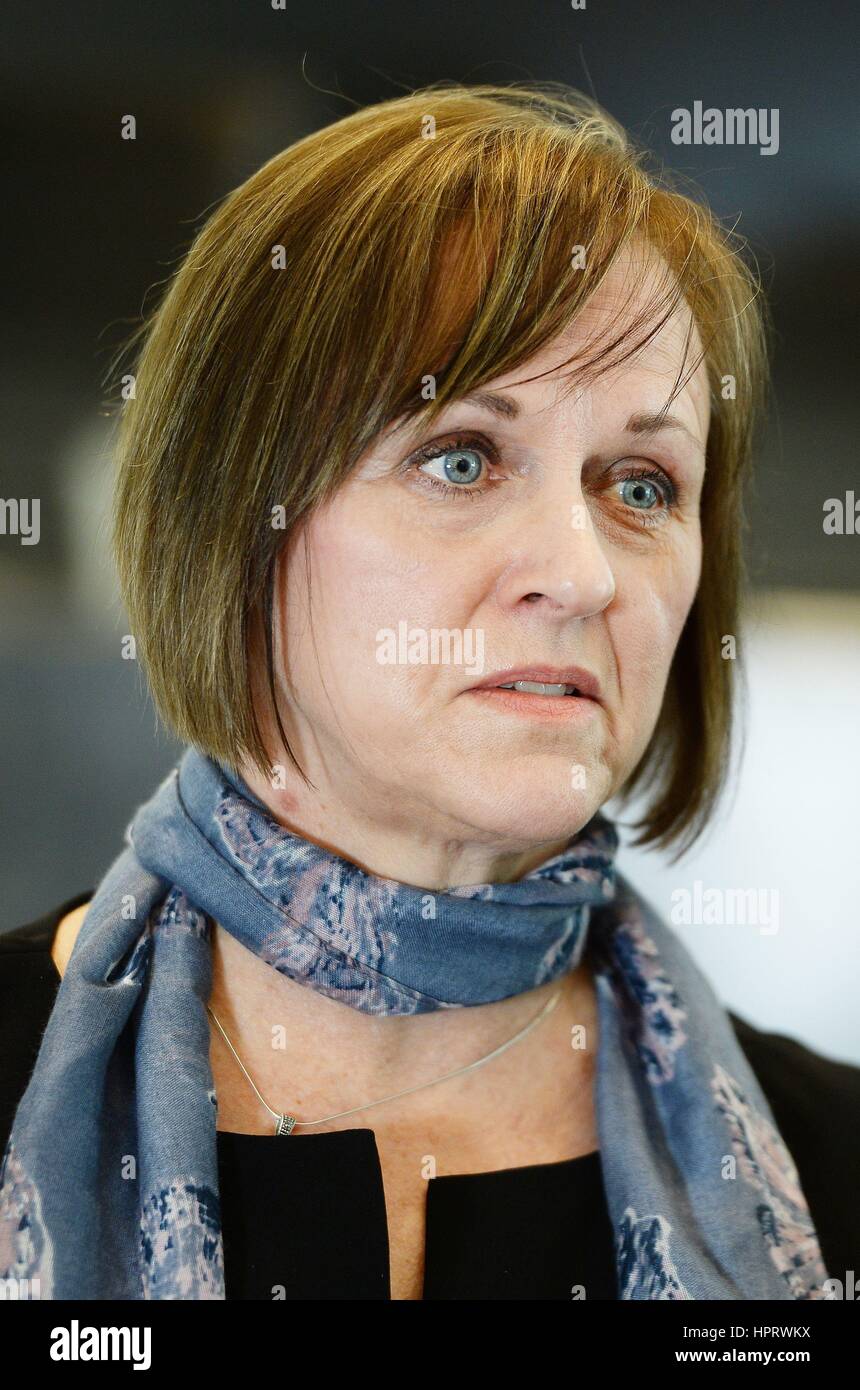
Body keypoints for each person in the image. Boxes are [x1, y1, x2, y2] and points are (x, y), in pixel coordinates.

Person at [1, 81, 858, 1302]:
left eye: (641, 485)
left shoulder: (833, 1173)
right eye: (461, 457)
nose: (578, 573)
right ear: (232, 520)